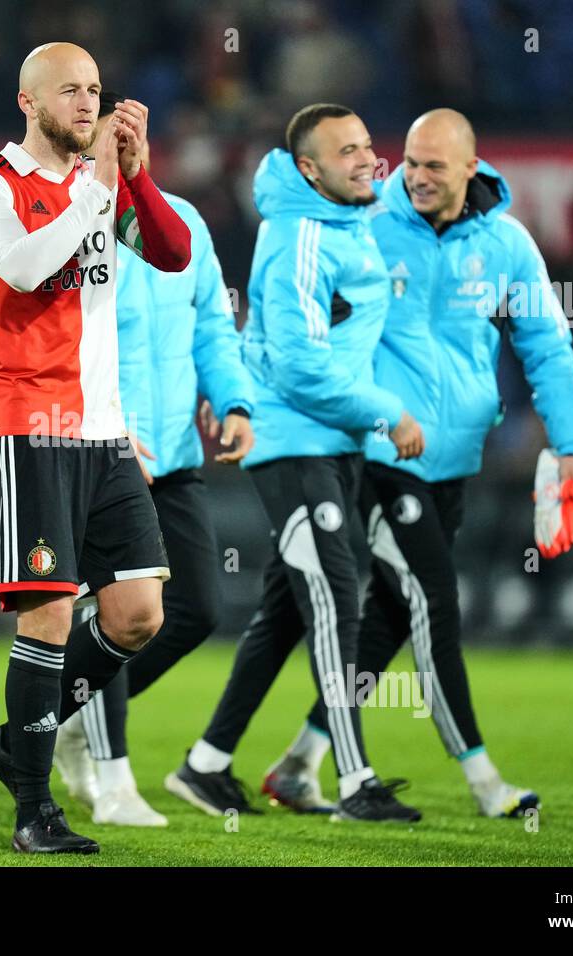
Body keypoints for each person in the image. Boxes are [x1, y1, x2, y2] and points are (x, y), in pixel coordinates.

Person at [237, 109, 573, 819]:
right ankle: (486, 781)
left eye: (435, 165)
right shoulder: (362, 222)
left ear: (472, 168)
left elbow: (547, 347)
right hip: (376, 451)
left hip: (454, 459)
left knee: (392, 619)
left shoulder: (507, 246)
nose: (416, 176)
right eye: (409, 161)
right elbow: (291, 316)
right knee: (436, 602)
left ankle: (297, 763)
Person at [0, 42, 191, 853]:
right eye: (70, 92)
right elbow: (21, 269)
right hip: (25, 424)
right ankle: (33, 809)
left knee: (137, 613)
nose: (89, 105)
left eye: (95, 90)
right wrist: (96, 189)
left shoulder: (100, 184)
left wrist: (140, 174)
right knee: (49, 613)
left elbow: (171, 252)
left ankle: (17, 740)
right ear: (28, 101)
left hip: (102, 428)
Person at [164, 103, 426, 824]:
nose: (368, 159)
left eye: (369, 145)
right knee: (336, 600)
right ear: (309, 169)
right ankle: (354, 781)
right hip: (295, 442)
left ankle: (206, 764)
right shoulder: (301, 236)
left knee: (287, 609)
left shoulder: (346, 220)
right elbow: (303, 366)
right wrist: (388, 412)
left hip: (330, 443)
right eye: (347, 151)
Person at [52, 91, 256, 827]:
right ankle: (112, 783)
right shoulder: (70, 226)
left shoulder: (183, 225)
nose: (120, 152)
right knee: (112, 608)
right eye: (108, 142)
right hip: (102, 452)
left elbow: (212, 326)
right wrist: (103, 428)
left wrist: (233, 401)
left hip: (171, 453)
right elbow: (55, 343)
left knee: (197, 607)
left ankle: (66, 720)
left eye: (130, 141)